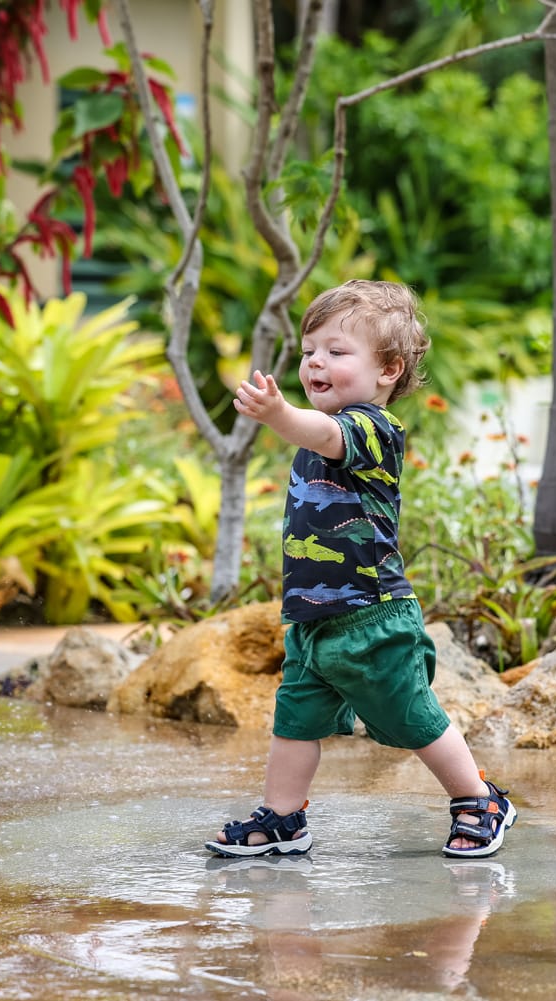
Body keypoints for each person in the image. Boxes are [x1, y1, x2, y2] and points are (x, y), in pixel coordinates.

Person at [205, 279, 516, 861]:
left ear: (389, 370)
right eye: (309, 350)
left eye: (337, 351)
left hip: (371, 614)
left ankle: (479, 800)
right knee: (295, 719)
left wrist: (278, 414)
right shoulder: (324, 433)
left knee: (410, 711)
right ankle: (284, 818)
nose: (316, 361)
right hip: (314, 619)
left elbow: (320, 430)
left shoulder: (369, 428)